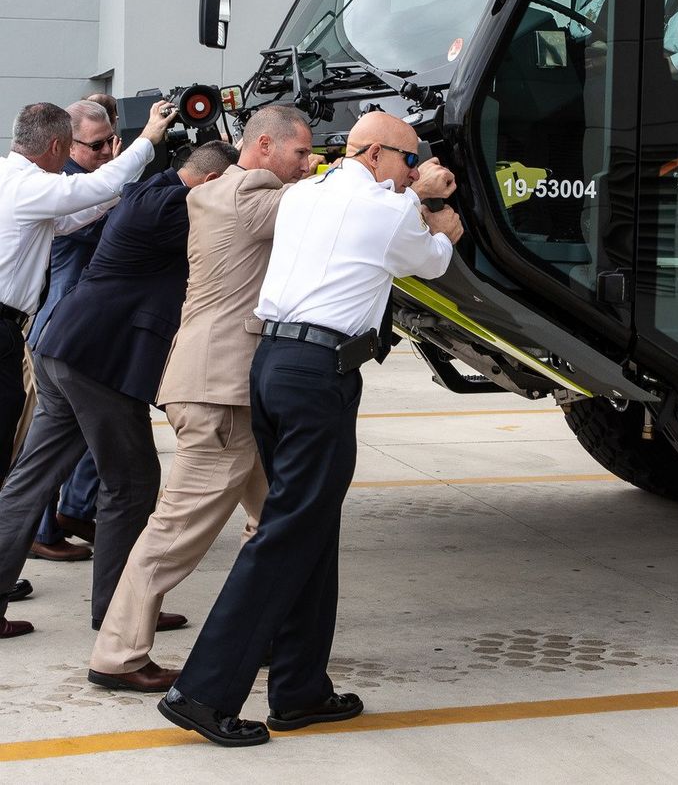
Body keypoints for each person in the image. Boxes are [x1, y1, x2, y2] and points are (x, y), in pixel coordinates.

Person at [159, 112, 463, 747]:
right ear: (376, 155)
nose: (413, 168)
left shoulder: (305, 193)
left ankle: (299, 690)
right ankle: (205, 691)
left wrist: (409, 191)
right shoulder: (388, 210)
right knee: (289, 532)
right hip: (317, 374)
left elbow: (363, 215)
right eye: (408, 159)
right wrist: (435, 211)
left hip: (271, 365)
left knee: (312, 527)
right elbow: (433, 261)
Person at [87, 106, 313, 693]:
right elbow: (328, 206)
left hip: (219, 386)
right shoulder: (253, 198)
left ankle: (261, 634)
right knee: (174, 533)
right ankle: (117, 654)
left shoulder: (211, 194)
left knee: (275, 521)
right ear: (263, 146)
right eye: (299, 153)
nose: (307, 163)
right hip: (222, 394)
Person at [0, 140, 238, 640]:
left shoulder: (156, 189)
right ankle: (118, 615)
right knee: (131, 484)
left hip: (64, 346)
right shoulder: (173, 210)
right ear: (213, 184)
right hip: (98, 360)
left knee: (30, 481)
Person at [0, 100, 175, 489]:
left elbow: (67, 219)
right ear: (58, 148)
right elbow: (93, 188)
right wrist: (147, 139)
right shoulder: (30, 186)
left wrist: (119, 193)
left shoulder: (11, 178)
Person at [28, 100, 120, 564]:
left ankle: (72, 513)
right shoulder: (61, 188)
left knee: (84, 436)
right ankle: (44, 530)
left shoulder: (84, 183)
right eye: (97, 144)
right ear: (66, 144)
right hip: (62, 331)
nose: (107, 152)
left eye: (112, 141)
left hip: (80, 331)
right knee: (53, 444)